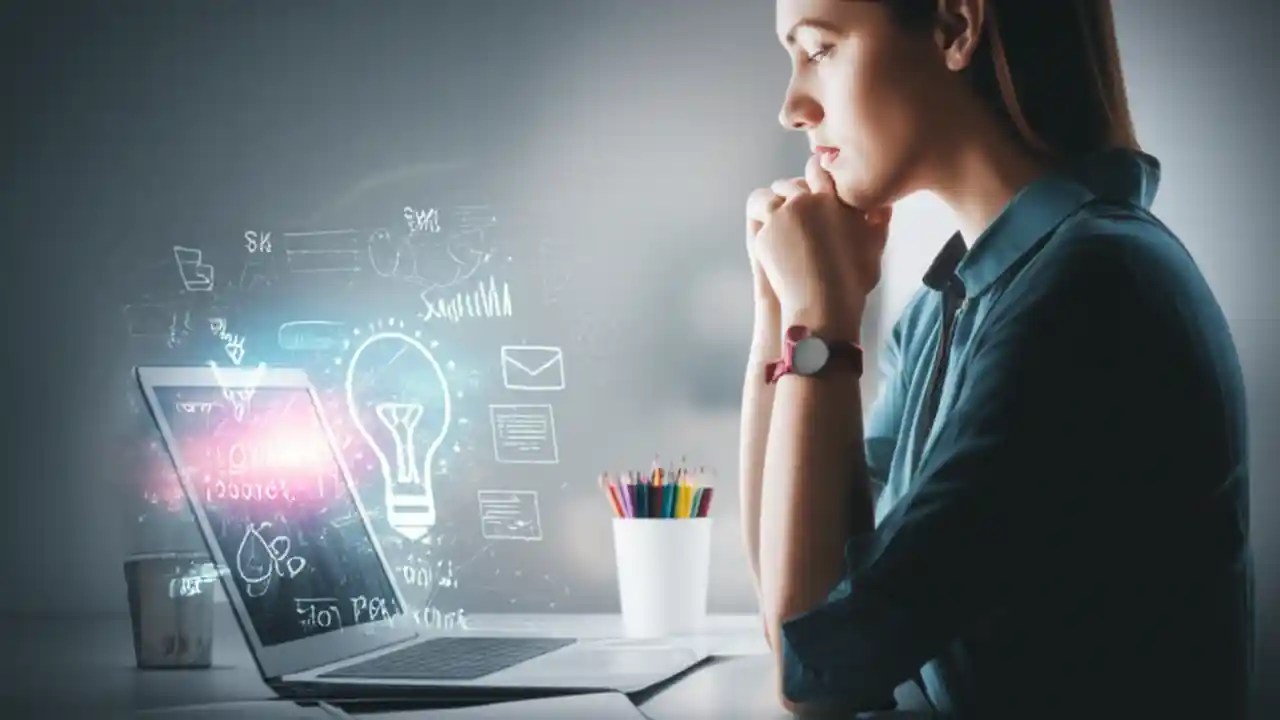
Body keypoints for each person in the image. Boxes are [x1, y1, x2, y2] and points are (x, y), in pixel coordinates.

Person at [738, 0, 1253, 717]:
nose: (793, 107)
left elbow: (820, 678)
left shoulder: (1091, 292)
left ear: (956, 28)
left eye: (819, 49)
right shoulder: (950, 304)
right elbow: (798, 606)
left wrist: (819, 322)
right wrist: (782, 314)